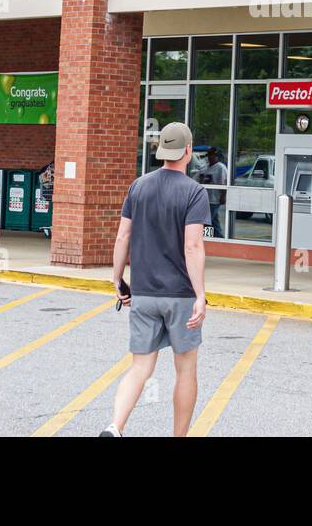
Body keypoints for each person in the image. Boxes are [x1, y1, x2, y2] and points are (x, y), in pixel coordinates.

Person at [101, 121, 210, 438]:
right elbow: (192, 246)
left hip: (144, 294)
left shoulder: (139, 186)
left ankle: (115, 426)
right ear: (187, 150)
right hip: (180, 296)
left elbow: (123, 236)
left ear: (163, 150)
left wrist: (118, 279)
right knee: (186, 369)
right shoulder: (194, 192)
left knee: (140, 367)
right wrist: (200, 295)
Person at [198, 146, 228, 238]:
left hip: (214, 200)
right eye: (209, 155)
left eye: (212, 155)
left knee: (207, 221)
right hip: (205, 199)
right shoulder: (205, 167)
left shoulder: (221, 168)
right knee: (214, 221)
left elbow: (224, 182)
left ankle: (207, 238)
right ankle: (220, 237)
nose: (210, 157)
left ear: (217, 156)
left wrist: (223, 196)